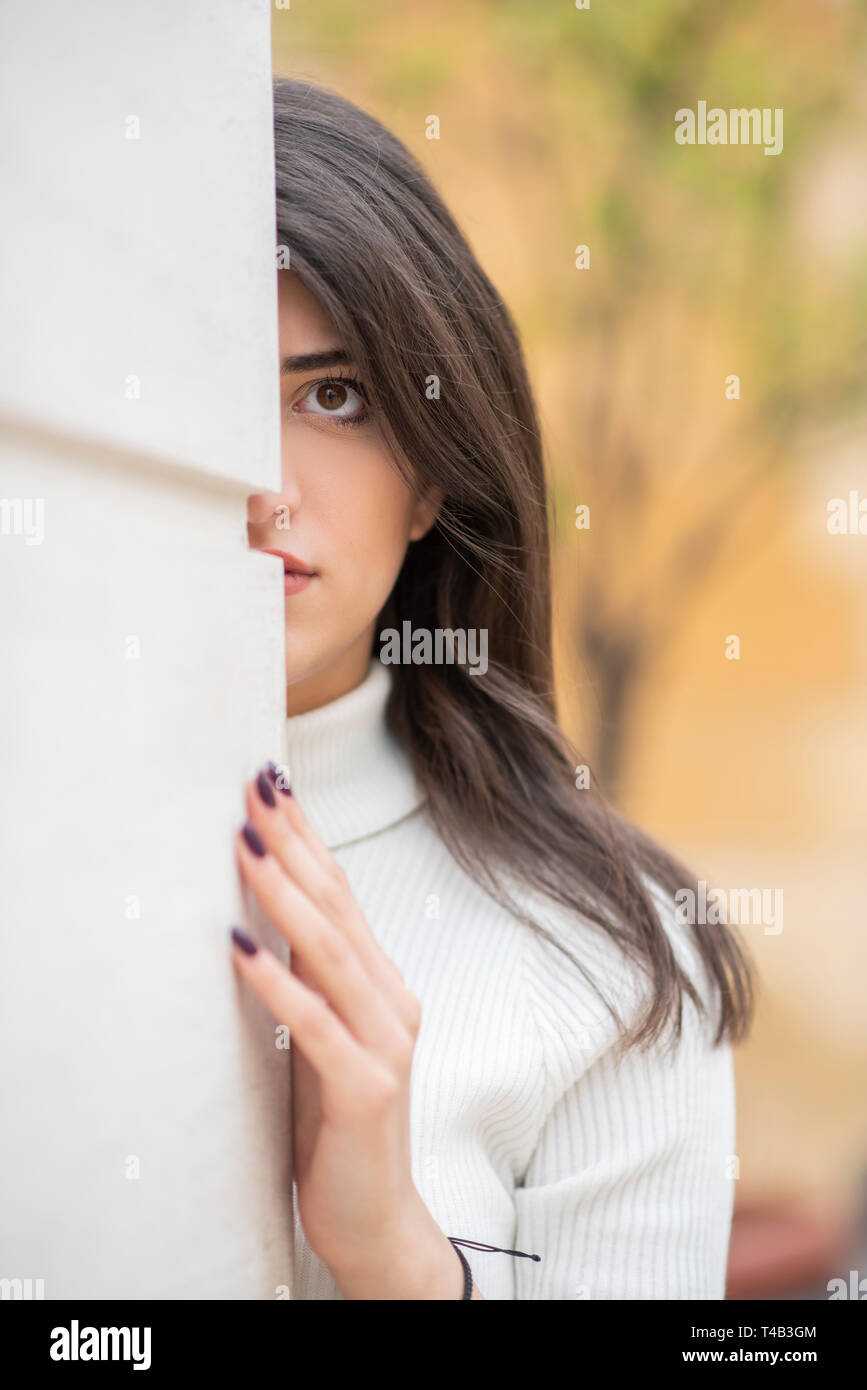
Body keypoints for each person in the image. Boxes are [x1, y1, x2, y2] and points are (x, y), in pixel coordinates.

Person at [229, 76, 755, 1300]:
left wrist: (399, 1259)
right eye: (215, 394)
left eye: (336, 394)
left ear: (431, 481)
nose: (267, 486)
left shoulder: (610, 961)